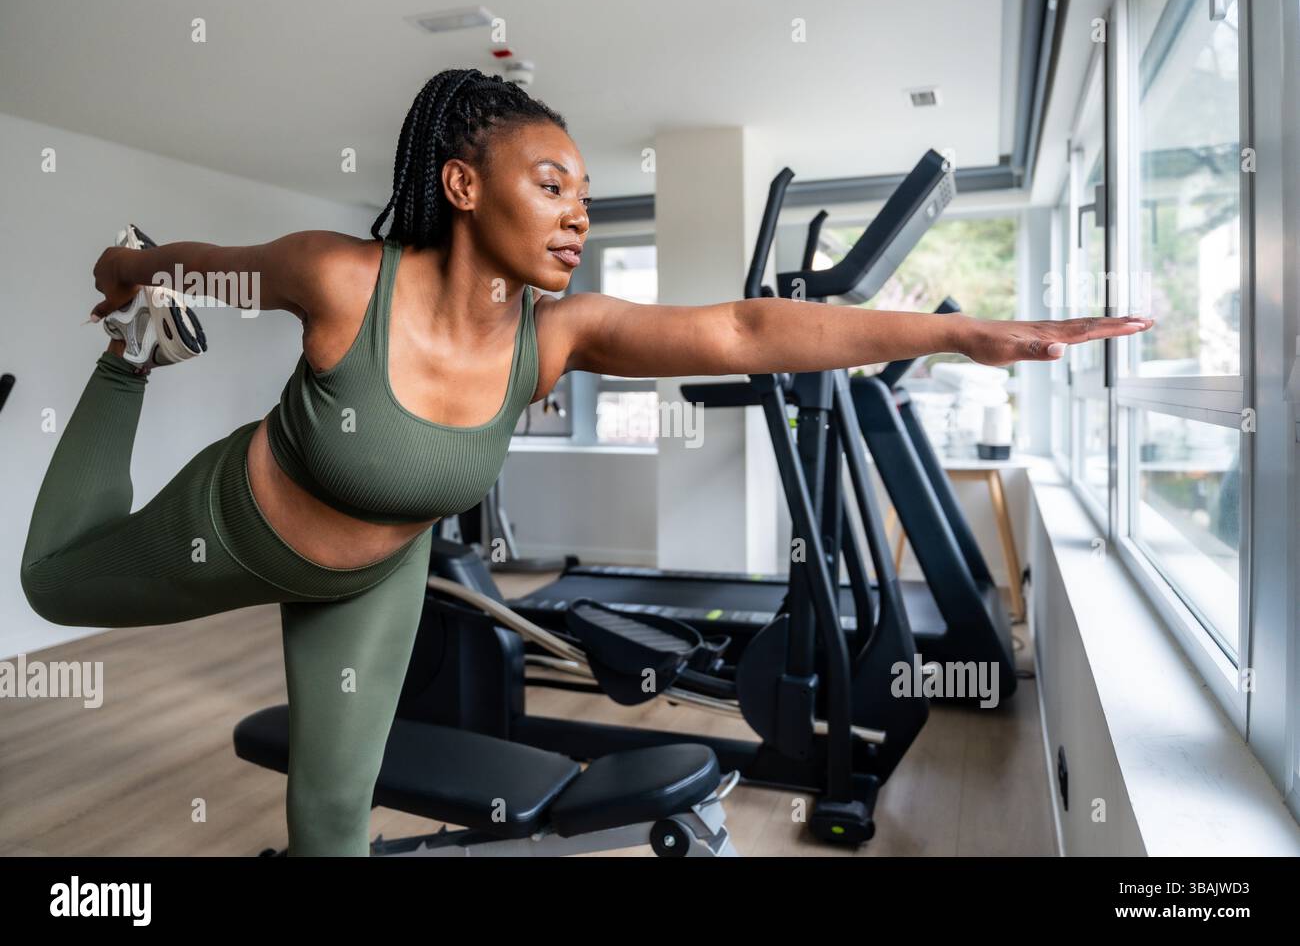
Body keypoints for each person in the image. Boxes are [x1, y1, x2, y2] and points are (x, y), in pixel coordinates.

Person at [19, 67, 1153, 857]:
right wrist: (136, 272)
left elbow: (747, 331)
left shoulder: (553, 333)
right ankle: (133, 365)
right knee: (51, 583)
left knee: (332, 813)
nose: (575, 211)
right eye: (548, 184)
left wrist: (962, 331)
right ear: (462, 187)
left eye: (581, 191)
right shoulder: (340, 279)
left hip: (369, 577)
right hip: (241, 523)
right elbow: (200, 265)